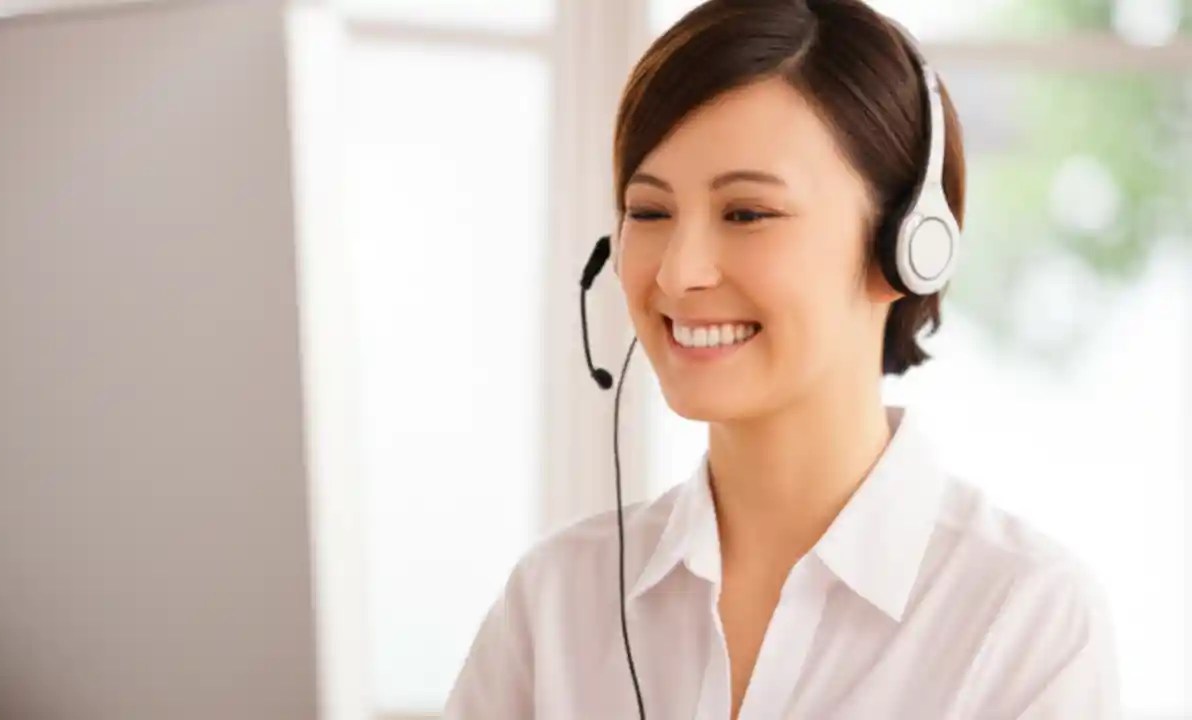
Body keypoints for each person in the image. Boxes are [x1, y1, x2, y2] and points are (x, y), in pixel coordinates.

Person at [444, 0, 1121, 717]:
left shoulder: (1025, 619)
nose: (678, 273)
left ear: (906, 244)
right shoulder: (554, 604)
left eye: (746, 213)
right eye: (649, 212)